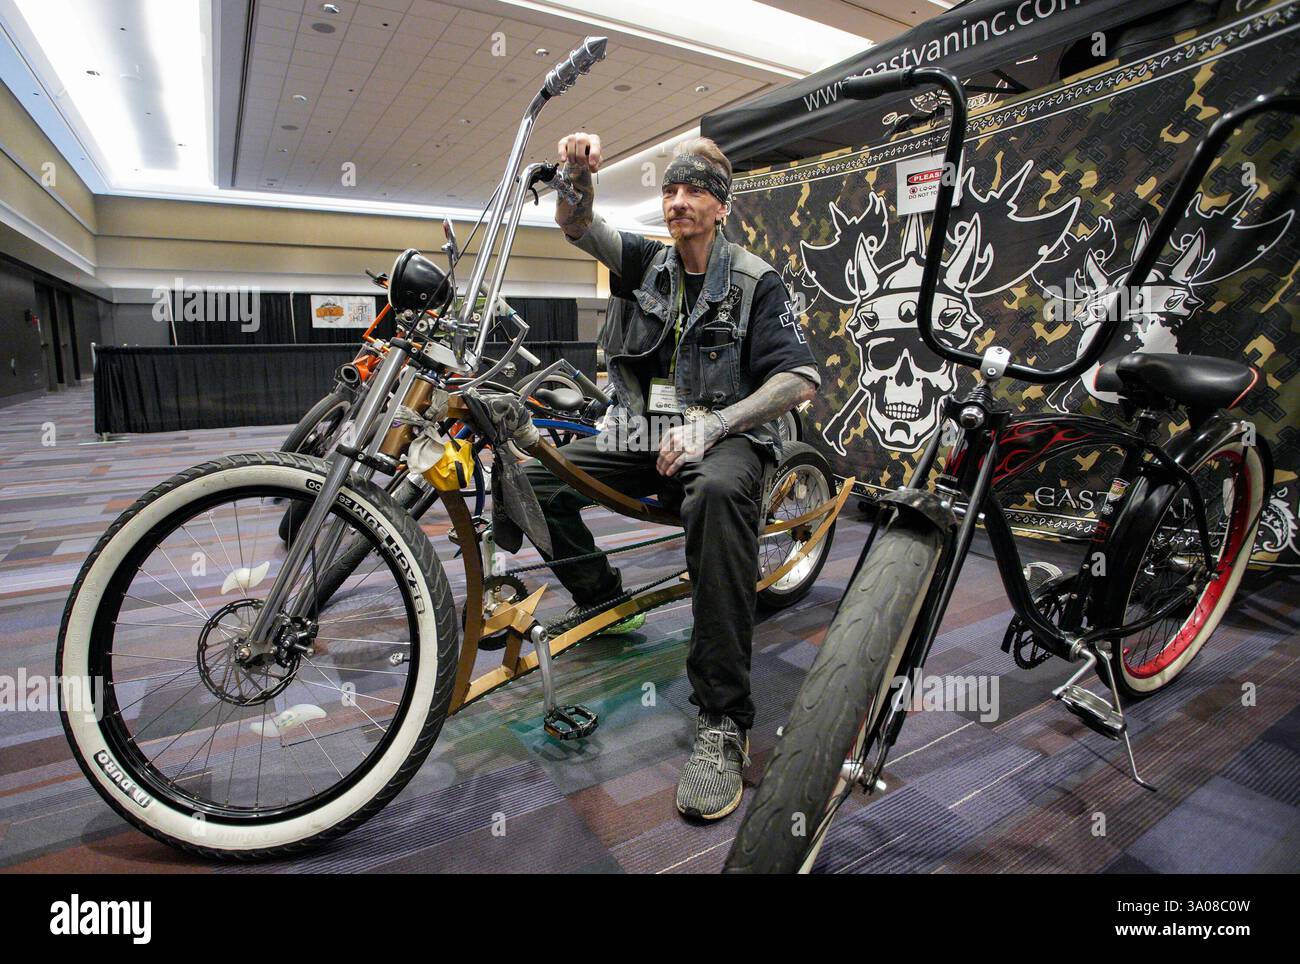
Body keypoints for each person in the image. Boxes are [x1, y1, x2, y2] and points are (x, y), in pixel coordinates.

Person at [522, 131, 820, 820]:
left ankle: (723, 720)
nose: (678, 202)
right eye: (671, 190)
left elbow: (798, 379)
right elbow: (576, 222)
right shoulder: (645, 264)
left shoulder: (754, 279)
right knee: (536, 473)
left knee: (715, 495)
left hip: (729, 436)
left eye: (694, 192)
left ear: (722, 206)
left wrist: (713, 427)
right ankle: (600, 595)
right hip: (645, 435)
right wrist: (574, 173)